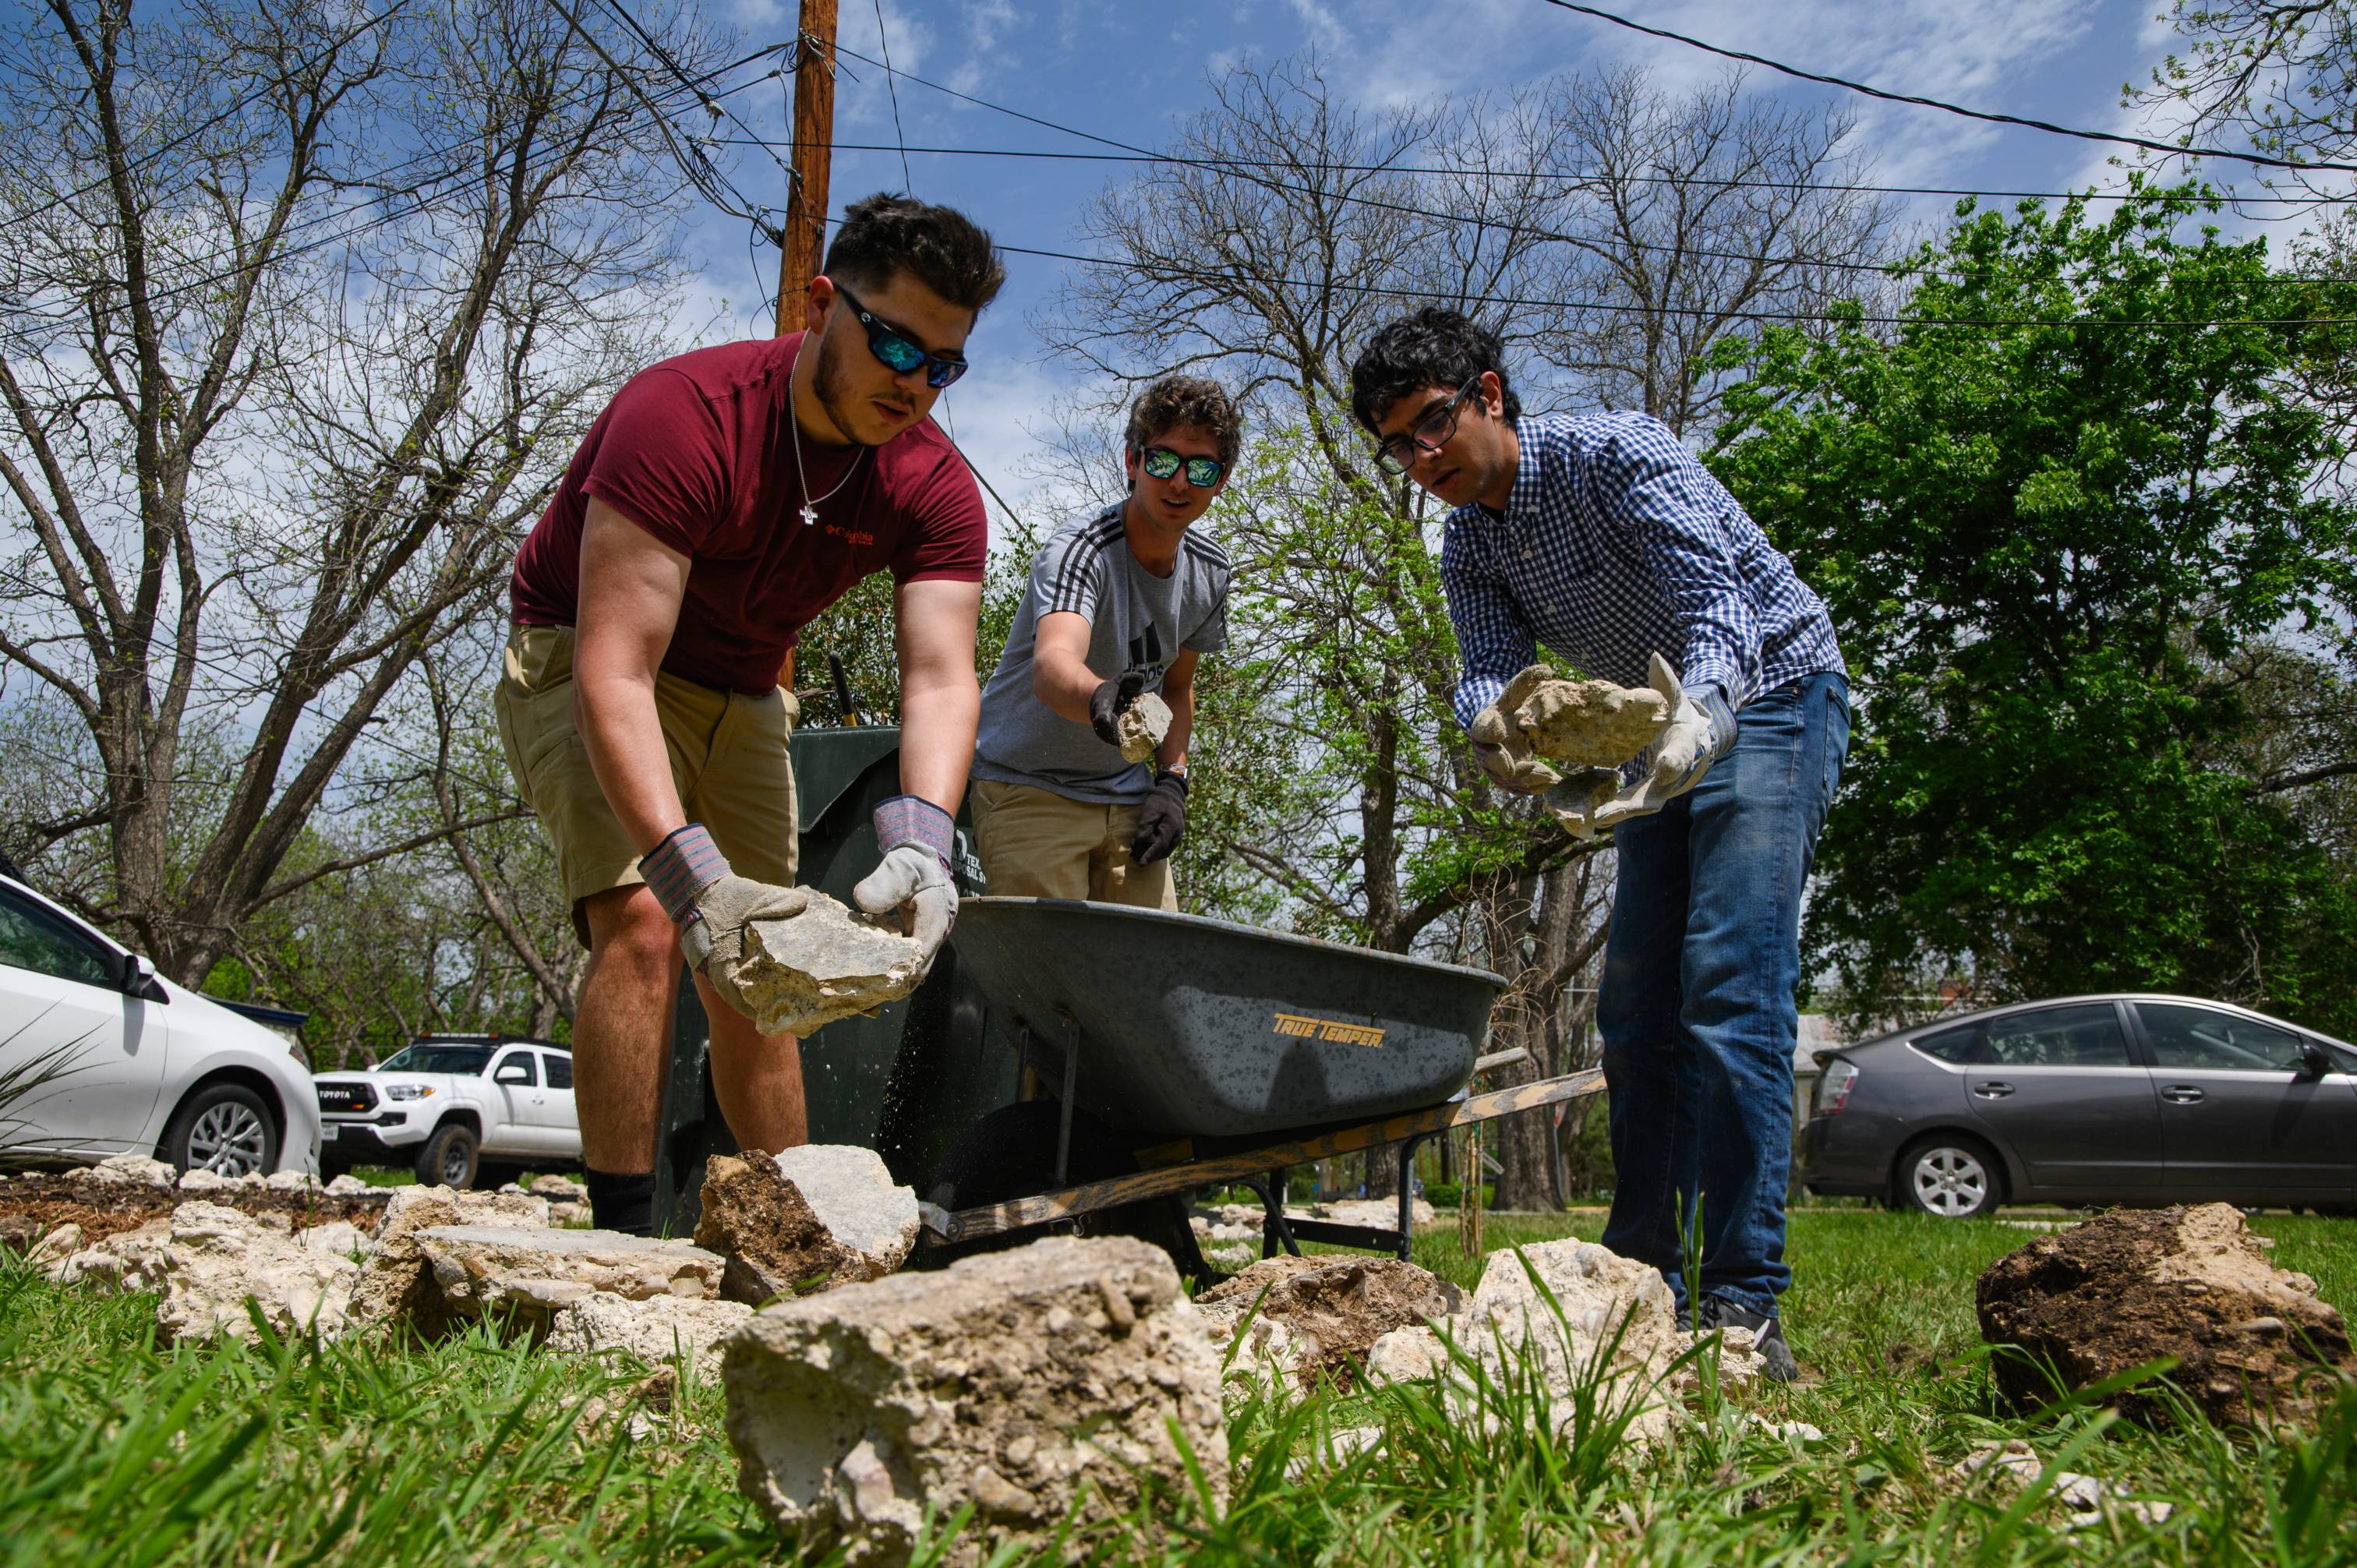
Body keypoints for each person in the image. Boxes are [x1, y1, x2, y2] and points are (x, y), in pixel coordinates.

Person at [1348, 308, 1849, 1379]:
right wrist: (1497, 732)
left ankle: (1743, 1304)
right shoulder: (1469, 542)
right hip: (1651, 735)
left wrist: (1702, 718)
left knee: (1727, 985)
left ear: (1488, 393)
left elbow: (1722, 604)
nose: (1421, 458)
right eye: (1396, 443)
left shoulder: (1616, 453)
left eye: (1433, 424)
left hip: (1770, 692)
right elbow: (1485, 665)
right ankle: (1643, 1281)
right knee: (1631, 1013)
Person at [496, 193, 1003, 1235]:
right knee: (645, 920)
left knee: (760, 967)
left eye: (942, 364)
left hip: (747, 690)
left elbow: (943, 678)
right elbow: (616, 671)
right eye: (895, 343)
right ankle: (624, 1243)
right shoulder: (684, 416)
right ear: (822, 305)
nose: (913, 384)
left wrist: (925, 837)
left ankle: (793, 1238)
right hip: (588, 661)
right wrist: (690, 875)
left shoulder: (935, 486)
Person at [966, 375, 1239, 906]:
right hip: (1028, 786)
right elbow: (1053, 666)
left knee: (1145, 975)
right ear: (1133, 461)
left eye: (1201, 468)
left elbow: (1179, 688)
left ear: (1221, 480)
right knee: (1047, 979)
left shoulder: (1211, 573)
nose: (1180, 483)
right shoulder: (1081, 551)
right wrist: (1100, 699)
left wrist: (1172, 782)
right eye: (1163, 461)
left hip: (1126, 793)